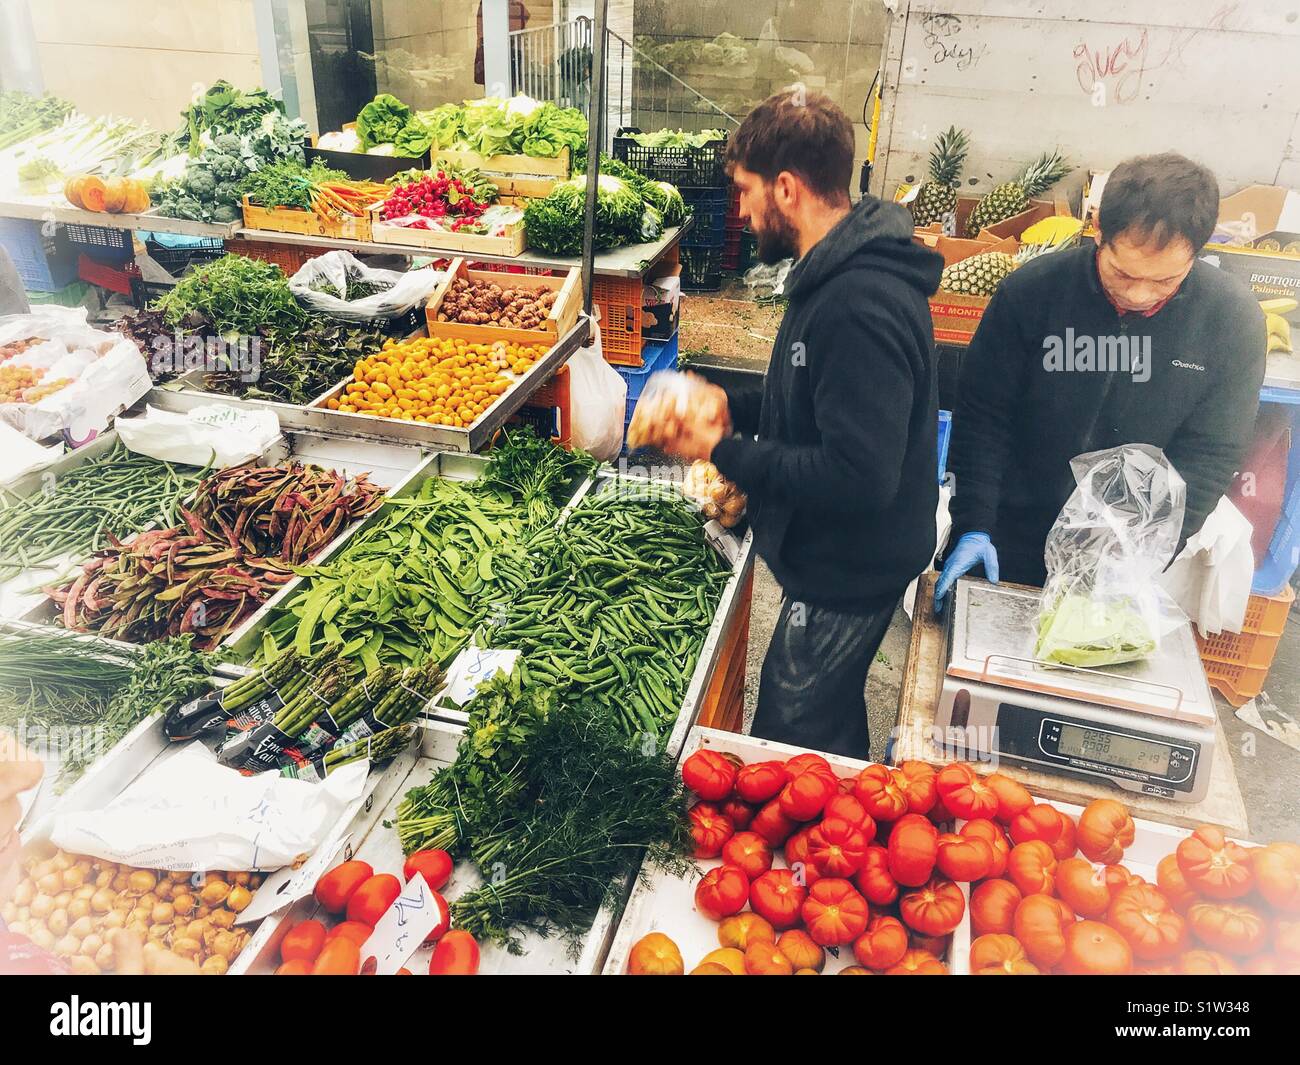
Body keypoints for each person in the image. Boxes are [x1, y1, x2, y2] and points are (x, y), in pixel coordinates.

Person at [652, 89, 944, 759]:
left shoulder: (857, 303)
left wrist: (721, 447)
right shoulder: (837, 268)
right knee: (827, 722)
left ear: (786, 187)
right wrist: (730, 403)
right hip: (844, 556)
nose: (742, 208)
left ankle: (803, 860)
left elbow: (857, 475)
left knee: (789, 736)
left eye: (747, 190)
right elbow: (812, 401)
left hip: (848, 570)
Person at [936, 152, 1267, 607]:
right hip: (1003, 530)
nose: (1137, 294)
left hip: (1123, 551)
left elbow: (1209, 456)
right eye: (1123, 272)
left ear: (1199, 250)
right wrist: (974, 521)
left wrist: (1143, 557)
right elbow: (983, 419)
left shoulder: (1231, 322)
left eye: (1164, 280)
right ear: (1097, 229)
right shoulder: (1032, 293)